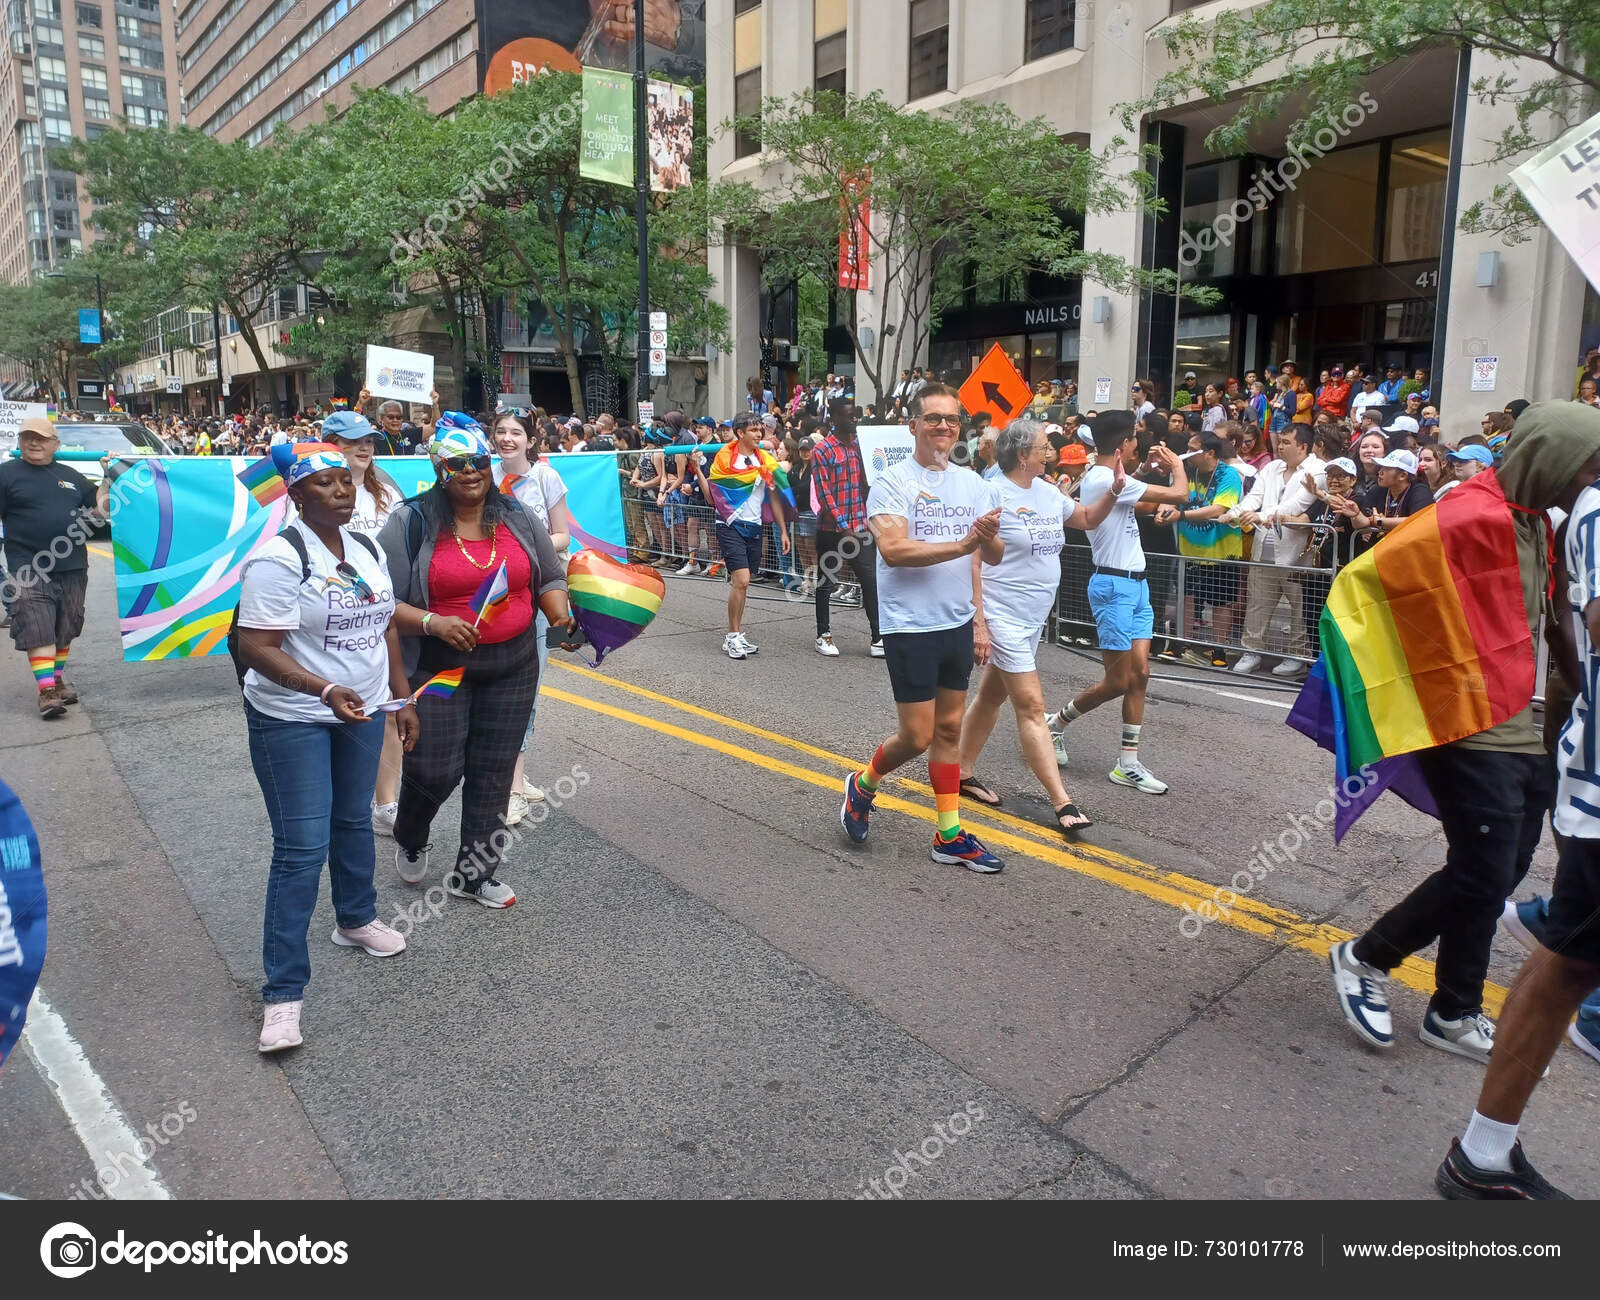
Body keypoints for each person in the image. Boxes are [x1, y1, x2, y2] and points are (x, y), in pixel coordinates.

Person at [1331, 404, 1600, 1091]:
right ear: (1554, 462)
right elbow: (1368, 584)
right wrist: (1419, 686)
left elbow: (1551, 624)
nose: (1593, 482)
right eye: (1589, 468)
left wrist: (1582, 694)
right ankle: (1366, 958)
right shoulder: (1465, 513)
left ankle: (1452, 1010)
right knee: (1484, 867)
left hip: (1525, 723)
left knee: (1502, 868)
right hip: (1465, 722)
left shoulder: (1539, 521)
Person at [234, 442, 417, 1052]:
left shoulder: (364, 548)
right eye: (325, 483)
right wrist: (323, 687)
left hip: (360, 710)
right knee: (301, 848)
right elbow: (255, 646)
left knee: (352, 822)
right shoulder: (279, 561)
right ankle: (283, 995)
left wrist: (402, 698)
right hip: (293, 715)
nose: (342, 490)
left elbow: (385, 623)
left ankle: (356, 919)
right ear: (296, 494)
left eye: (347, 480)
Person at [377, 418, 573, 909]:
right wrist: (432, 623)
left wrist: (561, 618)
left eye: (479, 462)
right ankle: (411, 831)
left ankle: (475, 873)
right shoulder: (411, 522)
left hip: (513, 664)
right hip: (442, 667)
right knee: (435, 767)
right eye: (457, 464)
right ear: (438, 469)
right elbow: (380, 602)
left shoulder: (518, 517)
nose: (470, 472)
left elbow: (548, 578)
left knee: (493, 768)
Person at [838, 383, 1007, 873]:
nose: (943, 427)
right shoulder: (892, 482)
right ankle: (863, 783)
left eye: (952, 419)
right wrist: (964, 542)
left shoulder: (974, 483)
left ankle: (948, 834)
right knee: (916, 736)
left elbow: (989, 555)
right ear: (913, 425)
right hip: (910, 625)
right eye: (933, 418)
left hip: (955, 620)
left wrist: (979, 615)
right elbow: (894, 551)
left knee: (950, 729)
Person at [957, 421, 1124, 837]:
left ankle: (958, 770)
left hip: (1034, 618)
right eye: (1043, 446)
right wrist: (979, 620)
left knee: (991, 696)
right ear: (1021, 455)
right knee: (1031, 707)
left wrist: (1116, 491)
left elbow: (1085, 519)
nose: (1049, 451)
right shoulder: (993, 493)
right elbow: (974, 559)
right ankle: (1061, 800)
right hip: (1002, 615)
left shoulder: (1049, 493)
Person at [1046, 411, 1191, 793]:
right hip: (1113, 586)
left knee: (1140, 674)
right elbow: (1179, 494)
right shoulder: (1105, 479)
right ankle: (1055, 724)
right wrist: (1176, 465)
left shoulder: (1112, 478)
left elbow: (1139, 501)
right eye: (1134, 439)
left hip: (1136, 585)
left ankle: (1127, 763)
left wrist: (1145, 472)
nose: (1137, 442)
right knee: (1118, 680)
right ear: (1124, 444)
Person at [492, 410, 572, 823]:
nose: (508, 439)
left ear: (530, 439)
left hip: (535, 592)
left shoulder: (545, 478)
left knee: (529, 686)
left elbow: (563, 535)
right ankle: (509, 777)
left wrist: (525, 548)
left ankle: (514, 784)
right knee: (494, 686)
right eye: (501, 432)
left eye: (515, 433)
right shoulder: (482, 477)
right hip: (490, 599)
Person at [0, 417, 110, 719]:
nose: (34, 443)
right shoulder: (6, 475)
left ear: (55, 444)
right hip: (28, 564)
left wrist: (108, 478)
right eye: (28, 437)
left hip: (72, 564)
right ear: (20, 441)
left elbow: (100, 512)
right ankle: (46, 691)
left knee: (66, 625)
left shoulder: (71, 475)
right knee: (38, 624)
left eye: (41, 438)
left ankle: (56, 678)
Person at [1227, 425, 1326, 677]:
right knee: (1257, 603)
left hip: (1296, 553)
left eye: (1286, 442)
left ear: (1303, 446)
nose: (1279, 446)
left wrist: (1257, 516)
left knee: (1299, 608)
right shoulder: (1271, 467)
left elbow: (1296, 505)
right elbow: (1254, 496)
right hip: (1264, 548)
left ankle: (1297, 656)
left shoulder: (1317, 470)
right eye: (1279, 441)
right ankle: (1251, 651)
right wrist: (1234, 513)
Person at [691, 412, 791, 660]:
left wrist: (783, 529)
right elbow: (711, 498)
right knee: (743, 580)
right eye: (754, 430)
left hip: (754, 527)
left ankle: (735, 634)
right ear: (740, 433)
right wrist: (697, 469)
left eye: (760, 430)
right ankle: (732, 636)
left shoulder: (765, 460)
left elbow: (775, 497)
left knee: (742, 584)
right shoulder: (725, 460)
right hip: (729, 524)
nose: (759, 434)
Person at [1157, 430, 1243, 668]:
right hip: (1189, 551)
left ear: (1209, 453)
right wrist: (1162, 511)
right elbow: (1172, 495)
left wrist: (1181, 515)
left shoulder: (1230, 475)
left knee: (1221, 602)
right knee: (1187, 597)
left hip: (1222, 551)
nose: (1187, 454)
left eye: (1192, 450)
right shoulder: (1187, 472)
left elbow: (1218, 509)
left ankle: (1219, 649)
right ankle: (1181, 643)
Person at [810, 400, 883, 658]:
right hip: (833, 531)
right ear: (835, 418)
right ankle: (823, 635)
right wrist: (843, 528)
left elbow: (866, 485)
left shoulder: (859, 448)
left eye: (857, 416)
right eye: (850, 416)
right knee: (826, 583)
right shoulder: (823, 449)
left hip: (860, 527)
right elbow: (824, 493)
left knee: (871, 582)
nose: (855, 420)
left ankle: (878, 637)